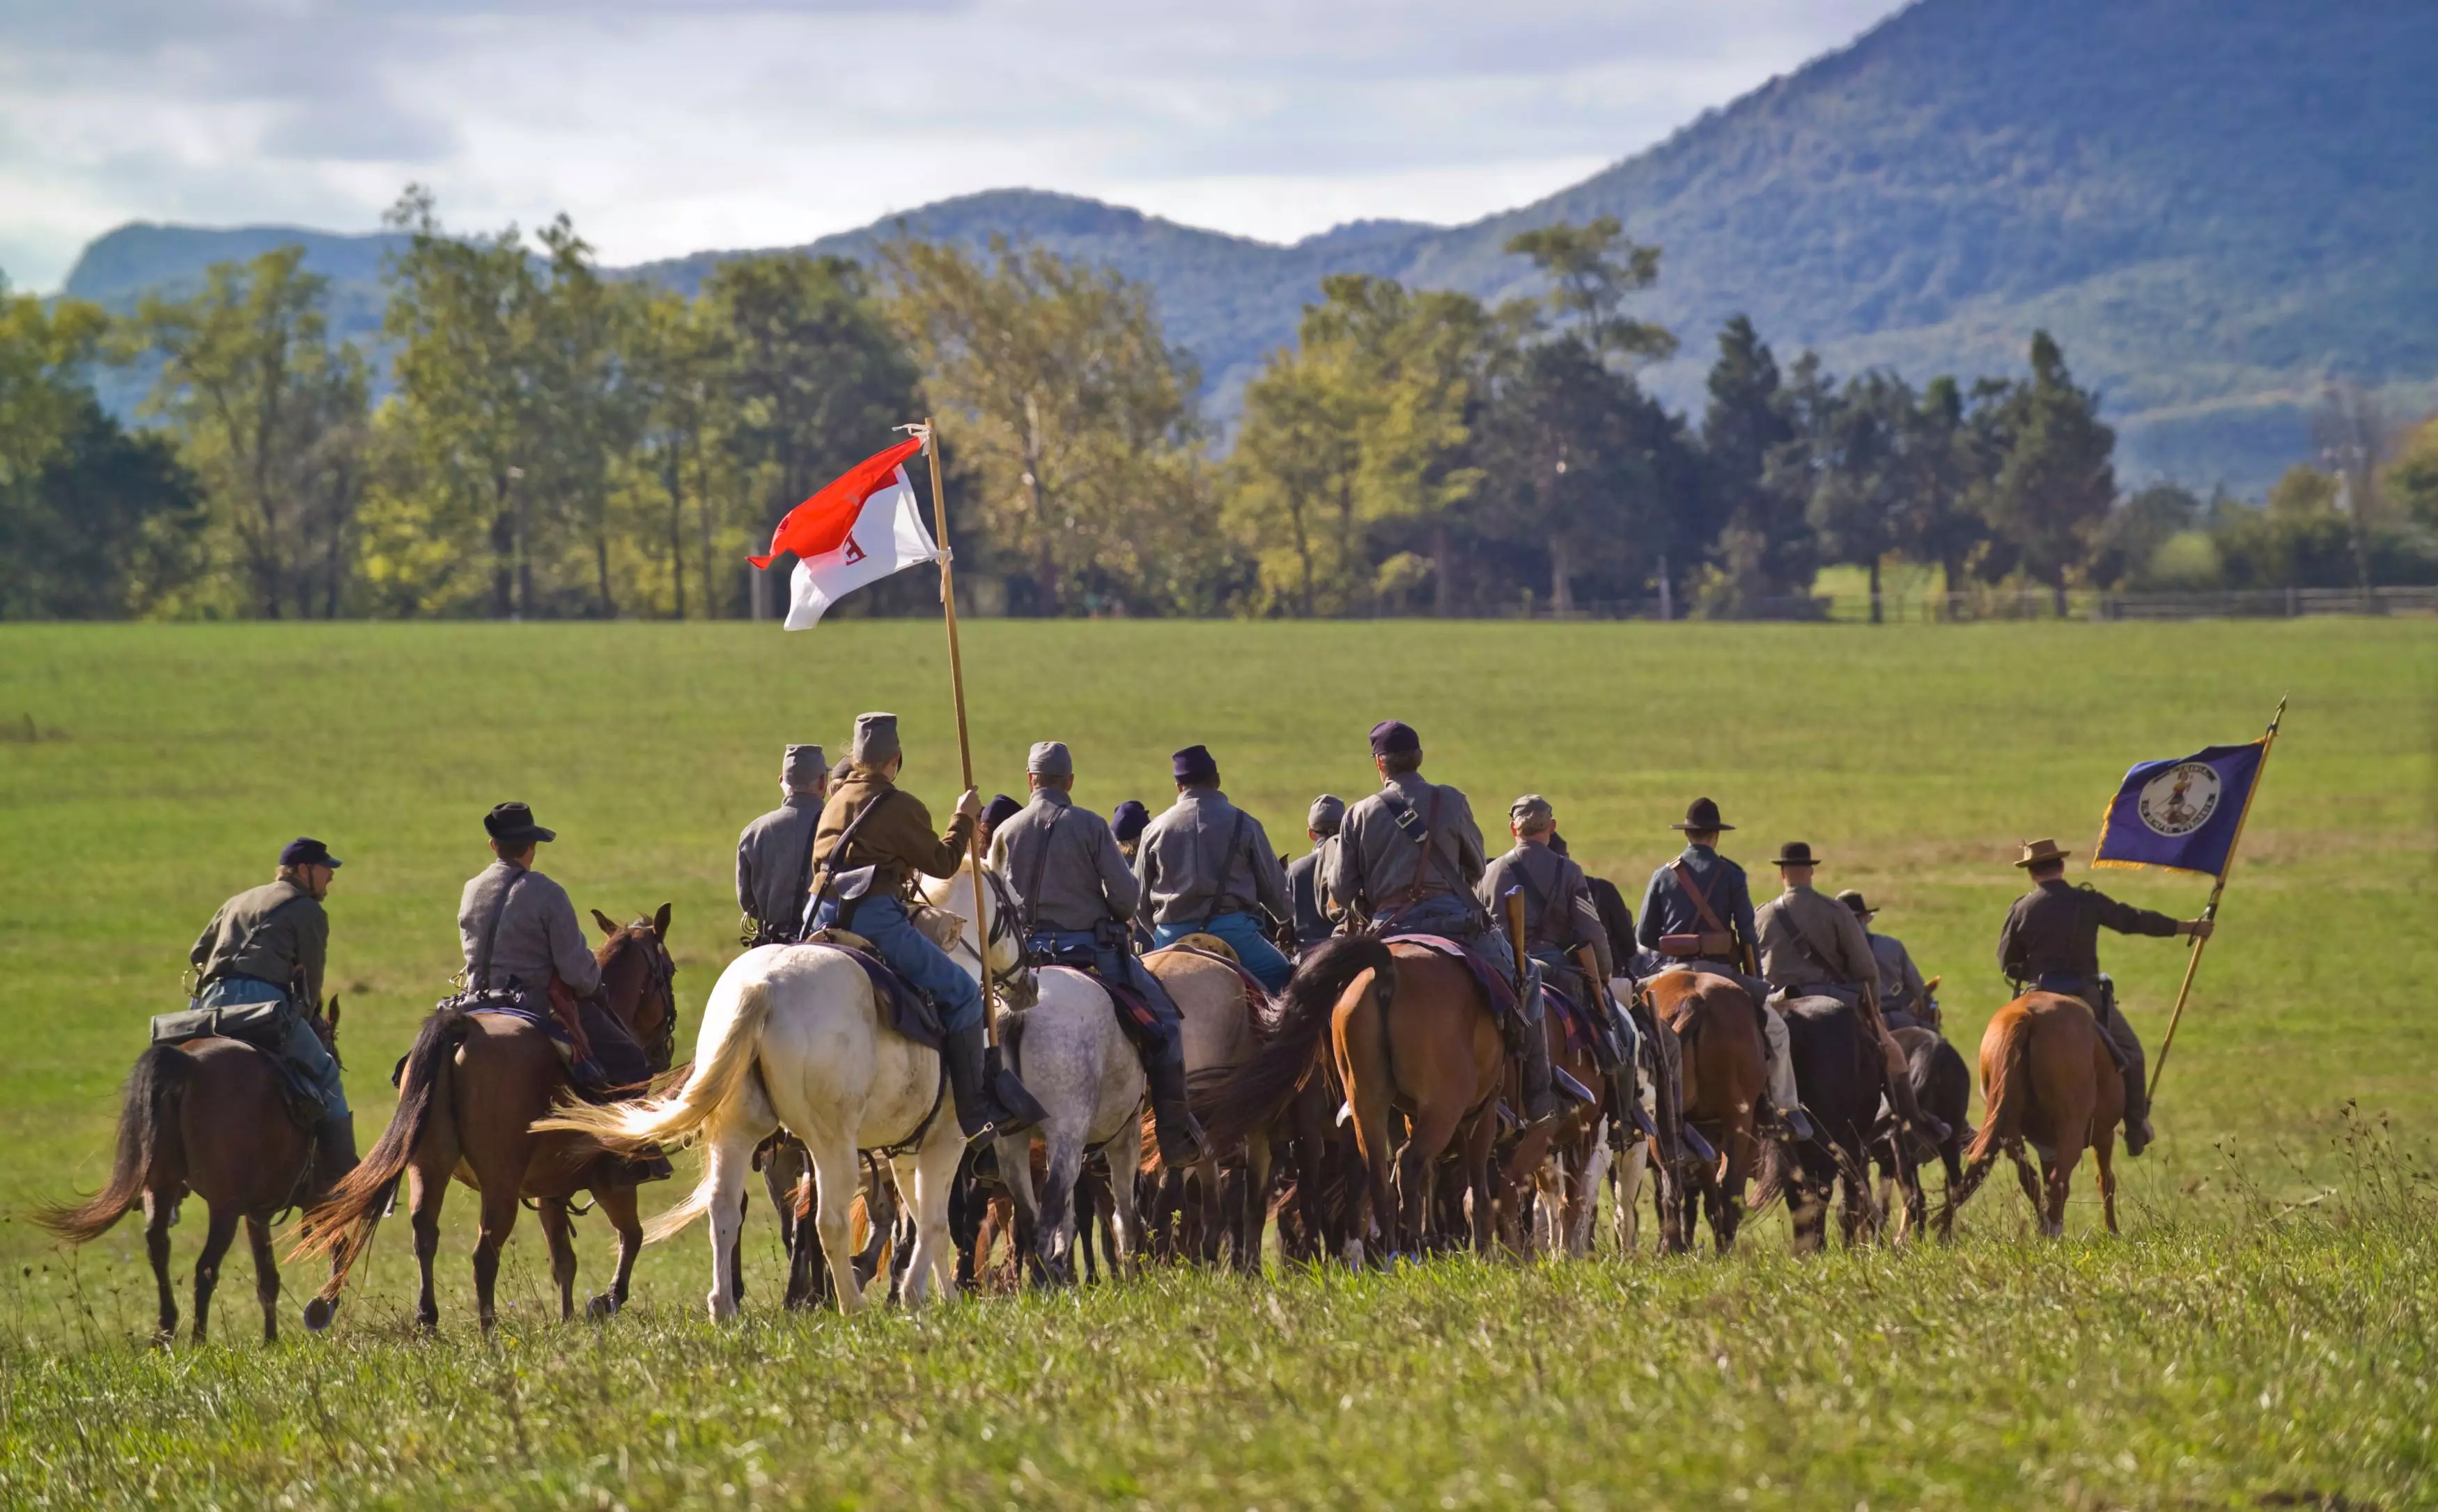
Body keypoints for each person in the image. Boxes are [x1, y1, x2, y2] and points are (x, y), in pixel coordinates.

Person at [804, 713, 1045, 1140]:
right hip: (875, 918)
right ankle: (974, 1112)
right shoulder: (901, 806)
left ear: (856, 759)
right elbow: (943, 863)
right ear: (895, 759)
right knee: (964, 993)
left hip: (822, 914)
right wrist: (964, 818)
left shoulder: (834, 802)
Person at [1326, 719, 1577, 1124]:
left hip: (1387, 929)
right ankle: (1537, 1093)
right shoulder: (1452, 802)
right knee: (1526, 976)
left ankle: (1347, 1092)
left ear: (1380, 765)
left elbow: (1341, 887)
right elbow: (1476, 865)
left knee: (1334, 996)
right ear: (1420, 759)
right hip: (1454, 924)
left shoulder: (1359, 813)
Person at [991, 740, 1206, 1166]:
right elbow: (1126, 900)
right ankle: (1172, 1133)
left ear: (1031, 780)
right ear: (1070, 781)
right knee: (1164, 1022)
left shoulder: (1004, 831)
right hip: (1092, 956)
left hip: (1024, 964)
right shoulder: (1091, 827)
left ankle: (981, 1139)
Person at [1997, 836, 2211, 1157]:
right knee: (2132, 1052)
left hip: (2038, 992)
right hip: (2084, 994)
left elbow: (2007, 963)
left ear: (2032, 873)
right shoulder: (2086, 901)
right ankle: (2136, 1127)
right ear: (2061, 866)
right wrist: (2188, 927)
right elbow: (2133, 920)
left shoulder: (2021, 908)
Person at [1633, 798, 1813, 1141]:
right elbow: (1747, 933)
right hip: (1721, 971)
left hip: (1670, 970)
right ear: (1716, 836)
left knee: (1629, 1028)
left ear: (1687, 834)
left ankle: (1632, 1107)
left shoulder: (1663, 874)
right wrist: (1754, 980)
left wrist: (1677, 943)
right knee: (1776, 1031)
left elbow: (1644, 934)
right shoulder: (1731, 873)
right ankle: (1784, 1107)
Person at [187, 837, 355, 1198]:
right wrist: (310, 1016)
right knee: (326, 1072)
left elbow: (198, 952)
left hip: (209, 1006)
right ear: (305, 870)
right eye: (327, 869)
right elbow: (311, 979)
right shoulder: (310, 911)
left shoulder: (239, 899)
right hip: (262, 1005)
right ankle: (345, 1177)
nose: (331, 878)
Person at [1753, 841, 1948, 1143]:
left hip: (1777, 1005)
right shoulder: (1835, 911)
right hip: (1835, 1000)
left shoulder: (1762, 915)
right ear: (1810, 872)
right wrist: (1872, 1015)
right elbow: (1866, 969)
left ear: (1782, 874)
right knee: (1892, 1053)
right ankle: (1913, 1117)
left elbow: (1753, 968)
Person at [459, 802, 655, 1092]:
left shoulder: (471, 889)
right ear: (532, 847)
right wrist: (594, 985)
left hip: (474, 1000)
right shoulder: (548, 893)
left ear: (493, 845)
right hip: (533, 1004)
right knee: (632, 1064)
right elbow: (576, 973)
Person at [1479, 795, 1637, 1100]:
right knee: (1620, 1034)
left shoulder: (1490, 873)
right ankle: (1621, 1116)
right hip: (1559, 974)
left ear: (1514, 829)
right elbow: (1591, 931)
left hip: (1503, 976)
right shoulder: (1569, 872)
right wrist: (1603, 973)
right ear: (1551, 827)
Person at [1135, 745, 1294, 993]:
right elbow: (1272, 888)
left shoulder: (1154, 829)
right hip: (1234, 933)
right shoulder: (1245, 823)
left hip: (1171, 936)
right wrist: (1284, 917)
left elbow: (1140, 902)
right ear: (1217, 781)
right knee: (1285, 977)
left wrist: (1160, 932)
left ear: (1179, 786)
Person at [734, 744, 828, 946]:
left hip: (769, 941)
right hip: (822, 940)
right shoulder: (838, 828)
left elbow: (747, 901)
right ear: (823, 782)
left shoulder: (753, 832)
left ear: (782, 782)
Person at [1838, 889, 1932, 1030]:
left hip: (1857, 1021)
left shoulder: (1834, 953)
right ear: (1867, 918)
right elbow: (1917, 988)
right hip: (1898, 1016)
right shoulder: (1893, 945)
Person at [1285, 794, 1345, 956]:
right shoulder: (1355, 865)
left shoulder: (1295, 869)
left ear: (1311, 834)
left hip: (1306, 954)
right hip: (1344, 951)